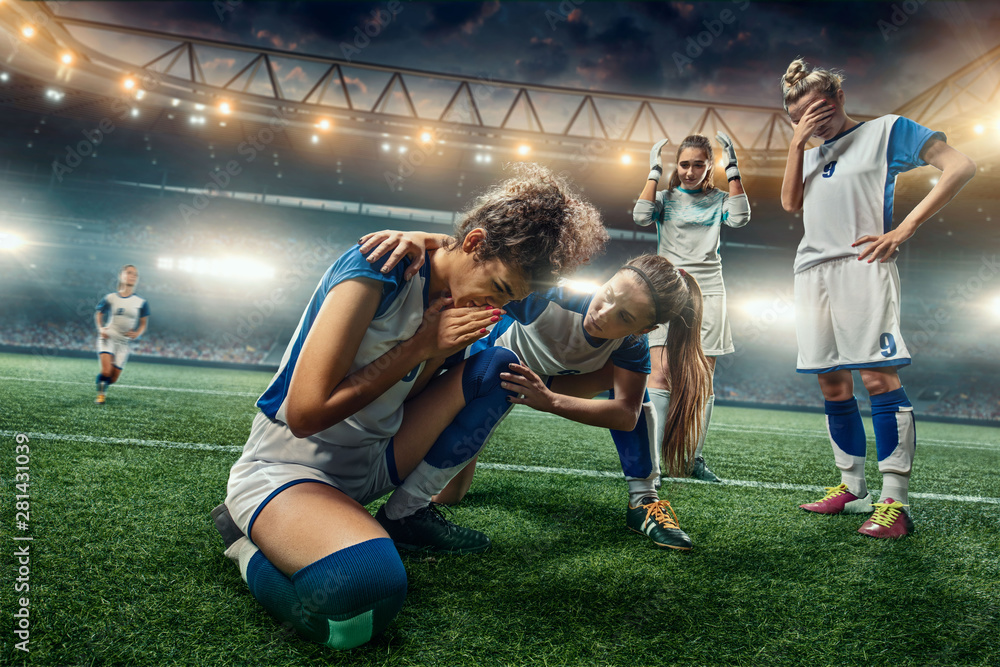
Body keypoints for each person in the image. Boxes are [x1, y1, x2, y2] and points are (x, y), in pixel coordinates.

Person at [212, 164, 608, 651]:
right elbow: (304, 414)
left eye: (514, 298)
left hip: (377, 458)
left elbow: (416, 392)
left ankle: (405, 516)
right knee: (358, 606)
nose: (500, 305)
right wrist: (420, 347)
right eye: (503, 289)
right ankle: (240, 539)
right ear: (475, 242)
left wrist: (438, 349)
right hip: (292, 465)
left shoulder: (470, 295)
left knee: (498, 366)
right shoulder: (378, 267)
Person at [362, 231, 711, 551]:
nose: (603, 315)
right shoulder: (547, 297)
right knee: (449, 495)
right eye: (607, 296)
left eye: (624, 317)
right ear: (606, 280)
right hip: (491, 368)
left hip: (547, 382)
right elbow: (477, 263)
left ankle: (645, 500)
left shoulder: (631, 345)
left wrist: (552, 402)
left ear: (645, 328)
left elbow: (626, 414)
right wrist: (424, 240)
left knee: (629, 389)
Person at [779, 58, 975, 538]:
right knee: (831, 384)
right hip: (811, 272)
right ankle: (851, 488)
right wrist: (796, 143)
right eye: (800, 116)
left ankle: (895, 503)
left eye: (819, 108)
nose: (813, 120)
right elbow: (790, 204)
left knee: (877, 377)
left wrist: (905, 227)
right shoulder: (807, 149)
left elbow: (961, 165)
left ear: (839, 97)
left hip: (863, 267)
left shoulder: (887, 130)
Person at [632, 133, 751, 482]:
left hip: (709, 292)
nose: (690, 171)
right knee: (661, 373)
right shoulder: (665, 199)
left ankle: (692, 460)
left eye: (699, 164)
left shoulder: (719, 199)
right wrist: (654, 171)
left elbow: (740, 217)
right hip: (666, 290)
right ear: (676, 165)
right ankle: (652, 461)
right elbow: (641, 216)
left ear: (709, 166)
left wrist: (733, 167)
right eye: (684, 164)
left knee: (701, 378)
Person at [94, 264, 148, 405]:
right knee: (106, 371)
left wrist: (137, 333)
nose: (133, 276)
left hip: (123, 342)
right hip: (108, 337)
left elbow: (143, 324)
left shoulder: (141, 302)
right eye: (129, 273)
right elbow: (99, 313)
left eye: (135, 274)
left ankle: (103, 384)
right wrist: (101, 328)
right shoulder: (110, 297)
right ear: (121, 276)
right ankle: (101, 394)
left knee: (112, 378)